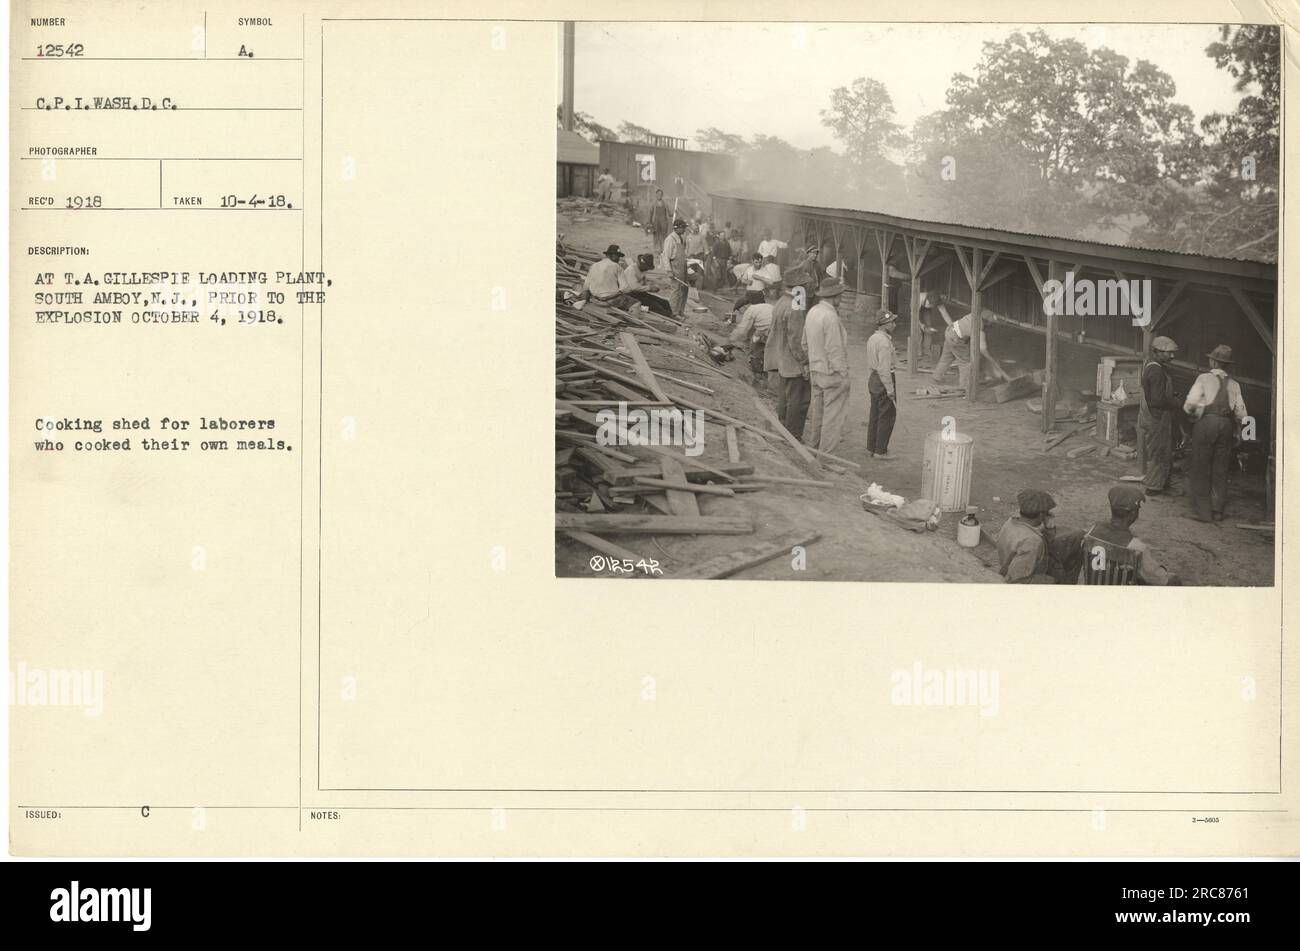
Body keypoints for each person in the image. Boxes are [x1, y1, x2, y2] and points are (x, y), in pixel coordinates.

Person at [1183, 344, 1248, 523]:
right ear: (1227, 365)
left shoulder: (1203, 378)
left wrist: (1195, 417)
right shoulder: (1235, 385)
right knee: (1221, 468)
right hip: (1226, 426)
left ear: (1213, 361)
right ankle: (1217, 510)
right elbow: (1242, 414)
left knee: (1201, 466)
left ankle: (1204, 513)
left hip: (1206, 424)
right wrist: (1240, 433)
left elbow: (1189, 405)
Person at [1080, 486, 1180, 585]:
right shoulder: (1137, 548)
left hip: (1096, 586)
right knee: (1173, 579)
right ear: (1134, 513)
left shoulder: (1093, 530)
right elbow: (1159, 579)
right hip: (1121, 596)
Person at [995, 489, 1085, 584]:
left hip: (1024, 562)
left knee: (1078, 536)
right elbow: (1018, 580)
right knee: (1064, 575)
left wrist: (1049, 527)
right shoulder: (1033, 541)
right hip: (1029, 574)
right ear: (1042, 515)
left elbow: (1045, 540)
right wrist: (1051, 580)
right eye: (1047, 512)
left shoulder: (1011, 522)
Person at [803, 279, 851, 454]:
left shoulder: (812, 312)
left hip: (815, 370)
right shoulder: (830, 317)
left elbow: (804, 343)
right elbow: (834, 350)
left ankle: (813, 449)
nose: (841, 297)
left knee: (818, 414)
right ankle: (826, 457)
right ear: (835, 296)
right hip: (831, 373)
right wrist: (843, 374)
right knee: (833, 417)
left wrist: (811, 362)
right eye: (840, 294)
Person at [765, 267, 812, 438]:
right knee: (798, 400)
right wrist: (805, 362)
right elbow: (796, 341)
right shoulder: (796, 308)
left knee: (784, 396)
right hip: (792, 362)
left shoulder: (780, 302)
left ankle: (782, 426)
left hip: (780, 357)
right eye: (805, 285)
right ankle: (793, 435)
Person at [1139, 336, 1184, 495]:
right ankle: (1153, 487)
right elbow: (1157, 400)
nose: (1172, 356)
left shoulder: (1152, 365)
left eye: (1173, 353)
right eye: (1169, 353)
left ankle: (1160, 484)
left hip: (1154, 415)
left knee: (1161, 451)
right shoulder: (1156, 370)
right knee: (1159, 452)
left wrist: (1171, 395)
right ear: (1157, 352)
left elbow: (1156, 393)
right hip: (1157, 417)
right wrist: (1176, 402)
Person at [865, 309, 900, 460]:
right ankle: (880, 451)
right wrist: (890, 389)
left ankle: (870, 447)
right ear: (884, 324)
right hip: (883, 379)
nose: (894, 324)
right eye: (891, 321)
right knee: (887, 415)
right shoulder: (885, 343)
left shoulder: (873, 338)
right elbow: (884, 369)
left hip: (873, 378)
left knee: (875, 414)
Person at [731, 284, 780, 386]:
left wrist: (731, 339)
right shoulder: (770, 306)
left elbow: (742, 330)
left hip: (767, 334)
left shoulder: (752, 309)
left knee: (754, 346)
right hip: (778, 334)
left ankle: (758, 372)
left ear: (748, 303)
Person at [618, 252, 674, 318]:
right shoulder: (631, 270)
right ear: (641, 264)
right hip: (630, 294)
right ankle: (667, 318)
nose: (646, 269)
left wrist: (652, 287)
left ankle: (671, 315)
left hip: (639, 293)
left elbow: (643, 282)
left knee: (664, 302)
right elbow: (634, 287)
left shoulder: (642, 269)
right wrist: (649, 288)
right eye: (646, 268)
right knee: (654, 305)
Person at [932, 310, 972, 389]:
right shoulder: (980, 322)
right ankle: (964, 387)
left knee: (946, 357)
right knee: (965, 362)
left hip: (949, 331)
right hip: (956, 338)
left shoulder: (972, 314)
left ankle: (936, 378)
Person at [662, 218, 690, 318]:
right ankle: (673, 312)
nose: (684, 230)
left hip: (682, 267)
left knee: (684, 289)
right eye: (683, 228)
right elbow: (665, 256)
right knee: (676, 290)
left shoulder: (680, 238)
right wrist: (669, 270)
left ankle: (680, 311)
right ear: (676, 228)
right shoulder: (670, 239)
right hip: (675, 267)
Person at [648, 189, 671, 265]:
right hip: (656, 222)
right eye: (658, 194)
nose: (659, 196)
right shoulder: (653, 204)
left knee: (663, 237)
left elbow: (669, 213)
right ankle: (656, 251)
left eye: (661, 194)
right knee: (656, 236)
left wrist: (673, 213)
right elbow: (650, 214)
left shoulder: (665, 204)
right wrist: (650, 222)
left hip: (663, 221)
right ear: (656, 195)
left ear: (662, 195)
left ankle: (663, 251)